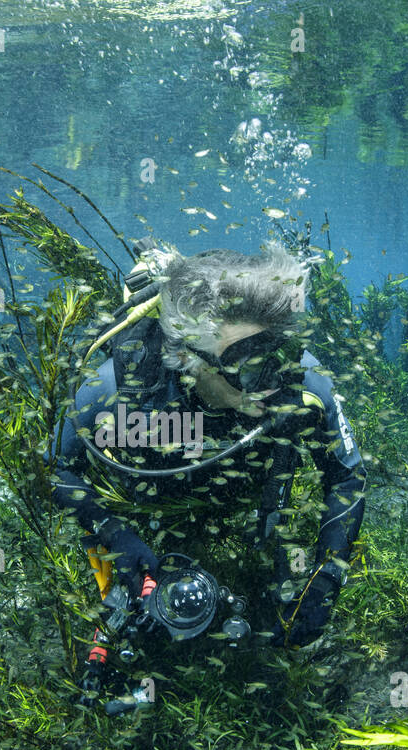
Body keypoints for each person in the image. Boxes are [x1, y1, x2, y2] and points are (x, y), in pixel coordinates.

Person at [49, 240, 368, 708]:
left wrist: (325, 578)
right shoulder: (119, 389)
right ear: (188, 356)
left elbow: (346, 477)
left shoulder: (302, 385)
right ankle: (155, 271)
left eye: (275, 350)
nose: (271, 380)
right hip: (150, 495)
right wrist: (117, 535)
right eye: (245, 361)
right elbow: (59, 467)